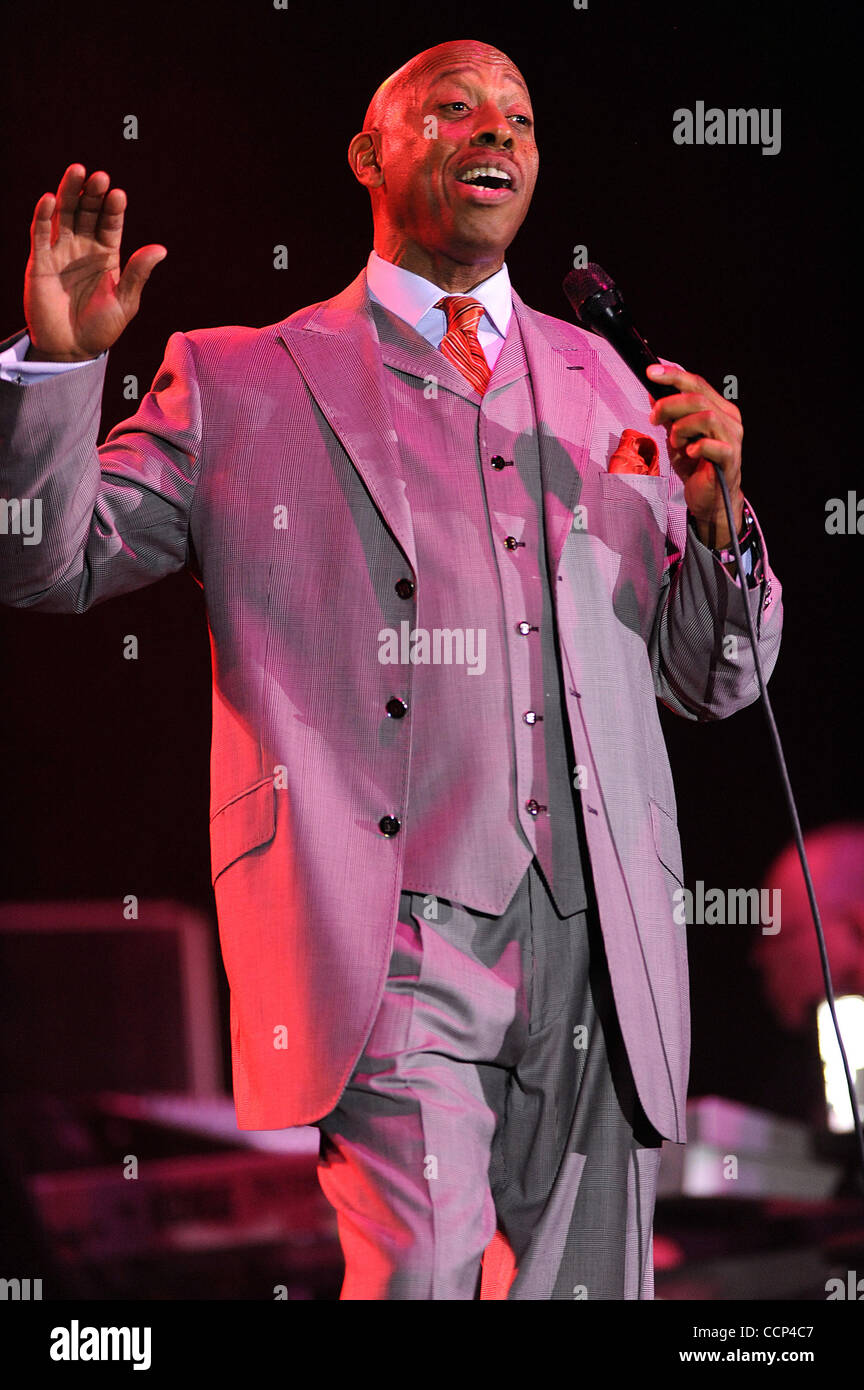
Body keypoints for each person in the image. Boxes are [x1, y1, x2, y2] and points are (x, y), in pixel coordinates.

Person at [0, 38, 783, 1299]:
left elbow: (717, 678)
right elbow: (46, 563)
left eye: (521, 118)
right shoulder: (242, 377)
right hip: (389, 930)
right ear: (368, 155)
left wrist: (724, 524)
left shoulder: (608, 383)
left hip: (601, 932)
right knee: (417, 1267)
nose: (498, 135)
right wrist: (57, 367)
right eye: (456, 109)